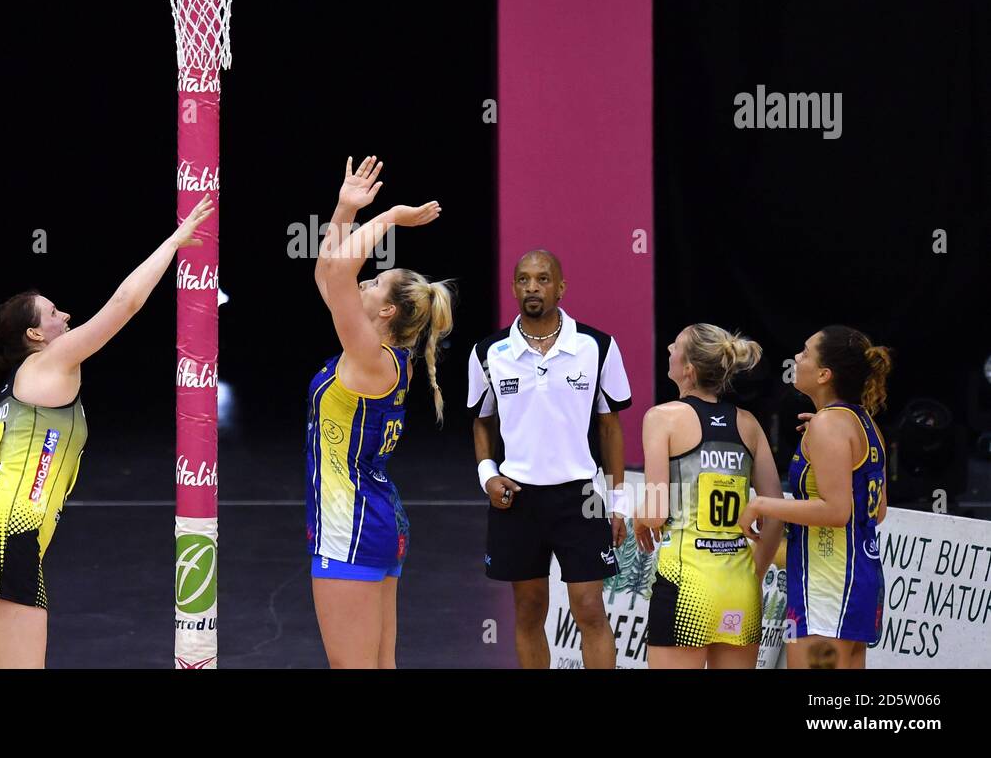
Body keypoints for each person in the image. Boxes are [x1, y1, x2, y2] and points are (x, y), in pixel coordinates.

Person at [0, 195, 214, 668]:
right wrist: (174, 242)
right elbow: (124, 304)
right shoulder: (50, 363)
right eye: (54, 313)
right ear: (36, 336)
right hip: (4, 537)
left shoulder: (9, 397)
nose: (65, 316)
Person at [307, 156, 455, 668]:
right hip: (377, 516)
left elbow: (339, 272)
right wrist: (345, 209)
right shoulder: (384, 357)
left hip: (351, 524)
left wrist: (388, 215)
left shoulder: (370, 359)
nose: (363, 284)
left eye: (374, 285)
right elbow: (332, 276)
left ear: (387, 312)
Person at [468, 249, 631, 669]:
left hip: (581, 497)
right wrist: (488, 475)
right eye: (523, 280)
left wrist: (618, 502)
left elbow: (611, 428)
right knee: (528, 610)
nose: (532, 288)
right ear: (513, 287)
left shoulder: (597, 346)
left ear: (561, 287)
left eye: (542, 279)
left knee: (590, 610)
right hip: (517, 500)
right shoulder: (488, 352)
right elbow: (482, 422)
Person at [738, 325, 892, 669]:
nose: (796, 358)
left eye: (805, 353)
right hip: (858, 579)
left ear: (824, 374)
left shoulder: (829, 426)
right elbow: (876, 512)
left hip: (828, 584)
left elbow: (837, 511)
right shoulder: (863, 422)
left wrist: (762, 503)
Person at [634, 324, 784, 668]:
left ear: (688, 370)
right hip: (739, 589)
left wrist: (641, 517)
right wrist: (753, 574)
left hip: (685, 587)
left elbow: (656, 512)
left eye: (677, 344)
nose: (669, 346)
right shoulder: (748, 423)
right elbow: (775, 512)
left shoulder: (662, 418)